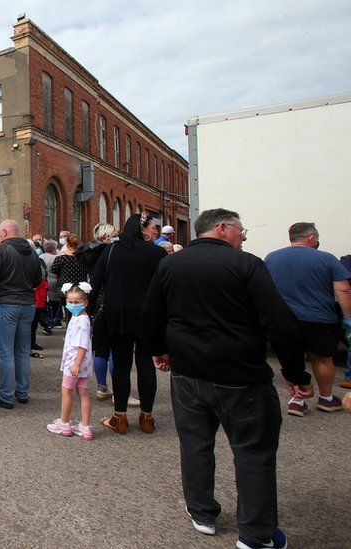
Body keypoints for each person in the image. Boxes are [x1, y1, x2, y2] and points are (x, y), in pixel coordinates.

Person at [141, 208, 311, 549]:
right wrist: (295, 373)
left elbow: (151, 314)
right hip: (240, 375)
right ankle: (256, 533)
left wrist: (158, 349)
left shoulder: (171, 264)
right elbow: (280, 323)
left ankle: (201, 511)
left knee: (195, 444)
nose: (243, 237)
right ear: (222, 228)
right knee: (253, 451)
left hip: (188, 371)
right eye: (240, 231)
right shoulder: (246, 265)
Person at [89, 212, 166, 434]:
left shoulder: (112, 250)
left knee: (121, 366)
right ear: (142, 229)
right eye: (153, 227)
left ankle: (120, 417)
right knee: (146, 365)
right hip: (147, 315)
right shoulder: (157, 253)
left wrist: (88, 311)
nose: (155, 231)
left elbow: (96, 282)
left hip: (118, 314)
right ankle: (146, 417)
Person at [265, 222, 351, 415]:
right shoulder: (327, 258)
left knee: (292, 359)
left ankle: (298, 401)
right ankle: (326, 399)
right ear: (312, 238)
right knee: (322, 358)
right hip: (319, 319)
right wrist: (349, 316)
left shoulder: (272, 257)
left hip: (284, 320)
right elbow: (343, 289)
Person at [0, 219, 43, 409]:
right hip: (27, 304)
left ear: (3, 232)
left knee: (5, 353)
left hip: (6, 303)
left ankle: (6, 396)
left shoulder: (1, 250)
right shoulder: (32, 251)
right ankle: (22, 392)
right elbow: (38, 278)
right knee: (22, 351)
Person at [46, 282, 95, 440]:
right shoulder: (81, 317)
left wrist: (76, 364)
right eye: (70, 302)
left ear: (85, 302)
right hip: (83, 364)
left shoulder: (81, 320)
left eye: (76, 302)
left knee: (66, 391)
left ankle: (64, 423)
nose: (73, 305)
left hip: (75, 362)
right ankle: (85, 426)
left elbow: (82, 345)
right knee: (83, 392)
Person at [76, 222, 116, 400]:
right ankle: (118, 388)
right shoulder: (112, 253)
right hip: (112, 300)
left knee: (100, 349)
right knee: (115, 349)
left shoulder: (88, 253)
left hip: (96, 304)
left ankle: (101, 387)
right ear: (106, 236)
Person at [50, 234, 88, 323]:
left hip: (65, 287)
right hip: (80, 286)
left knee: (68, 309)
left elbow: (53, 269)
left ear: (67, 243)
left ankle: (70, 328)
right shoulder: (83, 256)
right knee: (80, 310)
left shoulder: (61, 256)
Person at [40, 241, 61, 331]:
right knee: (54, 304)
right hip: (55, 282)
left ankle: (46, 323)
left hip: (44, 283)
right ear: (53, 249)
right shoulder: (56, 258)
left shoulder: (40, 257)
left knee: (45, 304)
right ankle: (51, 322)